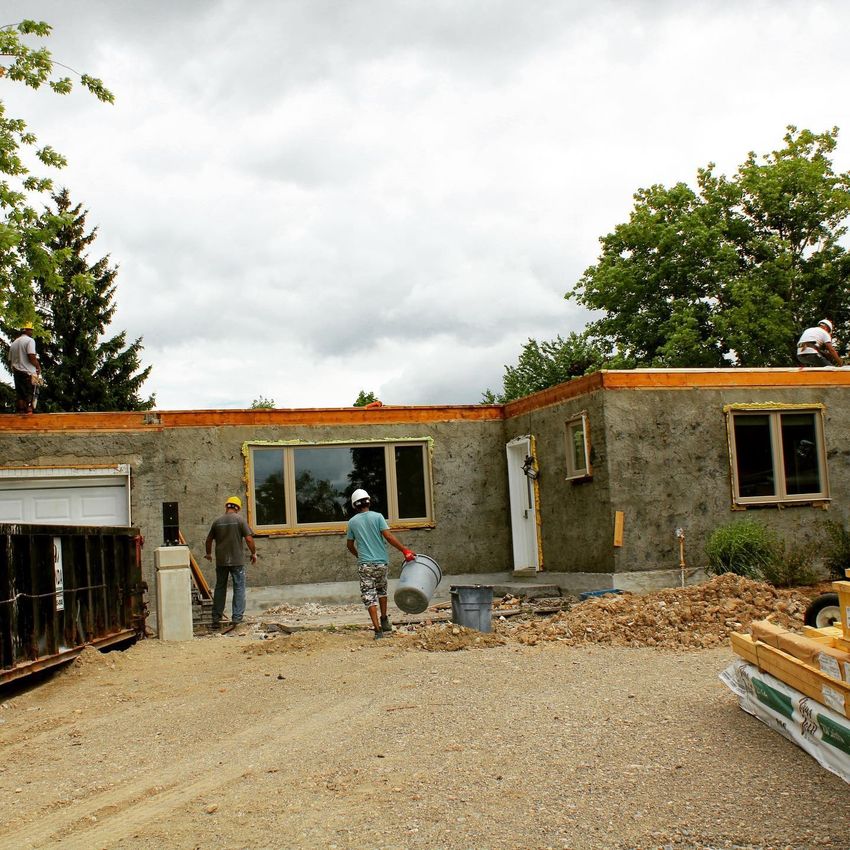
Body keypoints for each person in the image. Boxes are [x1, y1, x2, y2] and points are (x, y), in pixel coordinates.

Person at [346, 488, 416, 640]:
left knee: (369, 596)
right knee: (382, 591)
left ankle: (378, 630)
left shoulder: (352, 522)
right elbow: (389, 537)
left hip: (365, 565)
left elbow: (349, 545)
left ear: (354, 506)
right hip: (381, 563)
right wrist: (404, 550)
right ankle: (384, 620)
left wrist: (359, 555)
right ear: (368, 502)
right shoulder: (378, 517)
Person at [204, 496, 257, 629]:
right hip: (237, 561)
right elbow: (249, 539)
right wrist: (253, 553)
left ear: (227, 506)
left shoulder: (217, 521)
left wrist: (209, 554)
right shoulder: (240, 520)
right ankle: (237, 619)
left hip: (221, 561)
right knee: (239, 588)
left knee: (220, 588)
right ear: (237, 508)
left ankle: (216, 618)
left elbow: (208, 540)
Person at [8, 322, 42, 414]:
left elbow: (11, 361)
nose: (32, 332)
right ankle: (29, 417)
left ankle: (20, 415)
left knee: (20, 396)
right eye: (31, 330)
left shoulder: (14, 343)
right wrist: (38, 366)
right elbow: (31, 356)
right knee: (31, 395)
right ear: (27, 330)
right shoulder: (30, 341)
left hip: (17, 373)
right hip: (28, 373)